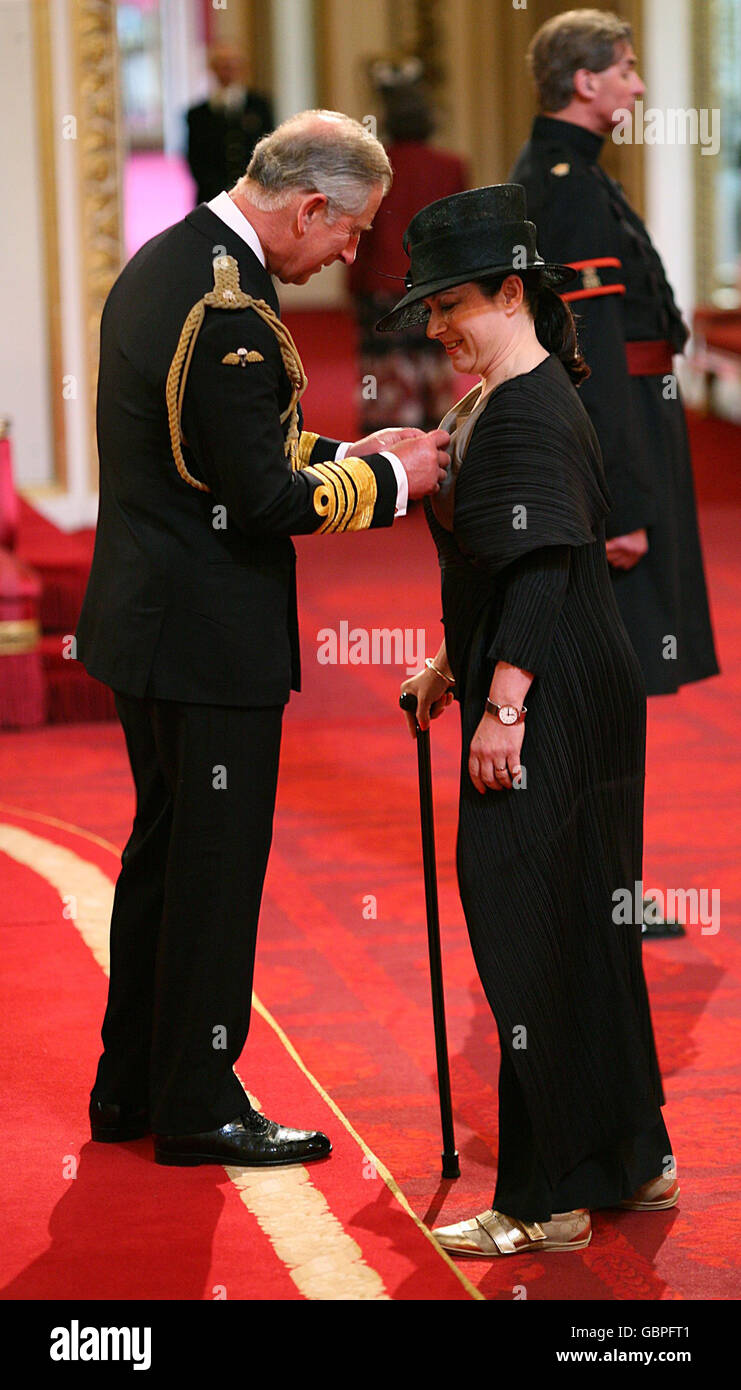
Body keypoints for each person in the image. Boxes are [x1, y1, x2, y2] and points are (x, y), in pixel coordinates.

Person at [75, 110, 450, 1169]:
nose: (352, 253)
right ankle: (197, 1100)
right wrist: (392, 480)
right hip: (207, 637)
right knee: (213, 870)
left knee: (163, 854)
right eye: (352, 230)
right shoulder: (230, 306)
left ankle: (131, 1083)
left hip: (151, 622)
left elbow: (231, 437)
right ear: (308, 205)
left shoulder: (178, 260)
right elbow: (265, 493)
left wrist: (348, 442)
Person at [380, 184, 678, 1257]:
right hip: (581, 679)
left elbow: (547, 564)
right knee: (588, 923)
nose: (435, 326)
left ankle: (544, 1196)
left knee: (527, 927)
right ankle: (633, 1158)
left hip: (550, 693)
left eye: (452, 302)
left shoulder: (522, 406)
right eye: (427, 307)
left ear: (513, 291)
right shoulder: (519, 393)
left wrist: (501, 706)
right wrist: (452, 662)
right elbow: (517, 558)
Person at [509, 9, 719, 703]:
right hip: (624, 431)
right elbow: (588, 352)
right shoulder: (568, 182)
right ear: (584, 79)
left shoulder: (575, 169)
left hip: (638, 417)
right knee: (611, 673)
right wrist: (620, 506)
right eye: (625, 70)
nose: (637, 87)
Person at [348, 61, 468, 431]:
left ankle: (388, 462)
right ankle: (435, 451)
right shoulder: (451, 166)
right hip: (437, 283)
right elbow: (460, 233)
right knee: (434, 373)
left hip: (383, 285)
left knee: (387, 384)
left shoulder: (372, 168)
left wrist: (355, 288)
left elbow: (362, 231)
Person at [186, 45, 273, 206]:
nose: (228, 71)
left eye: (233, 65)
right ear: (212, 69)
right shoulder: (198, 114)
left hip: (253, 194)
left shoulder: (259, 106)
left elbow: (269, 149)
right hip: (212, 195)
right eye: (223, 66)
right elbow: (196, 159)